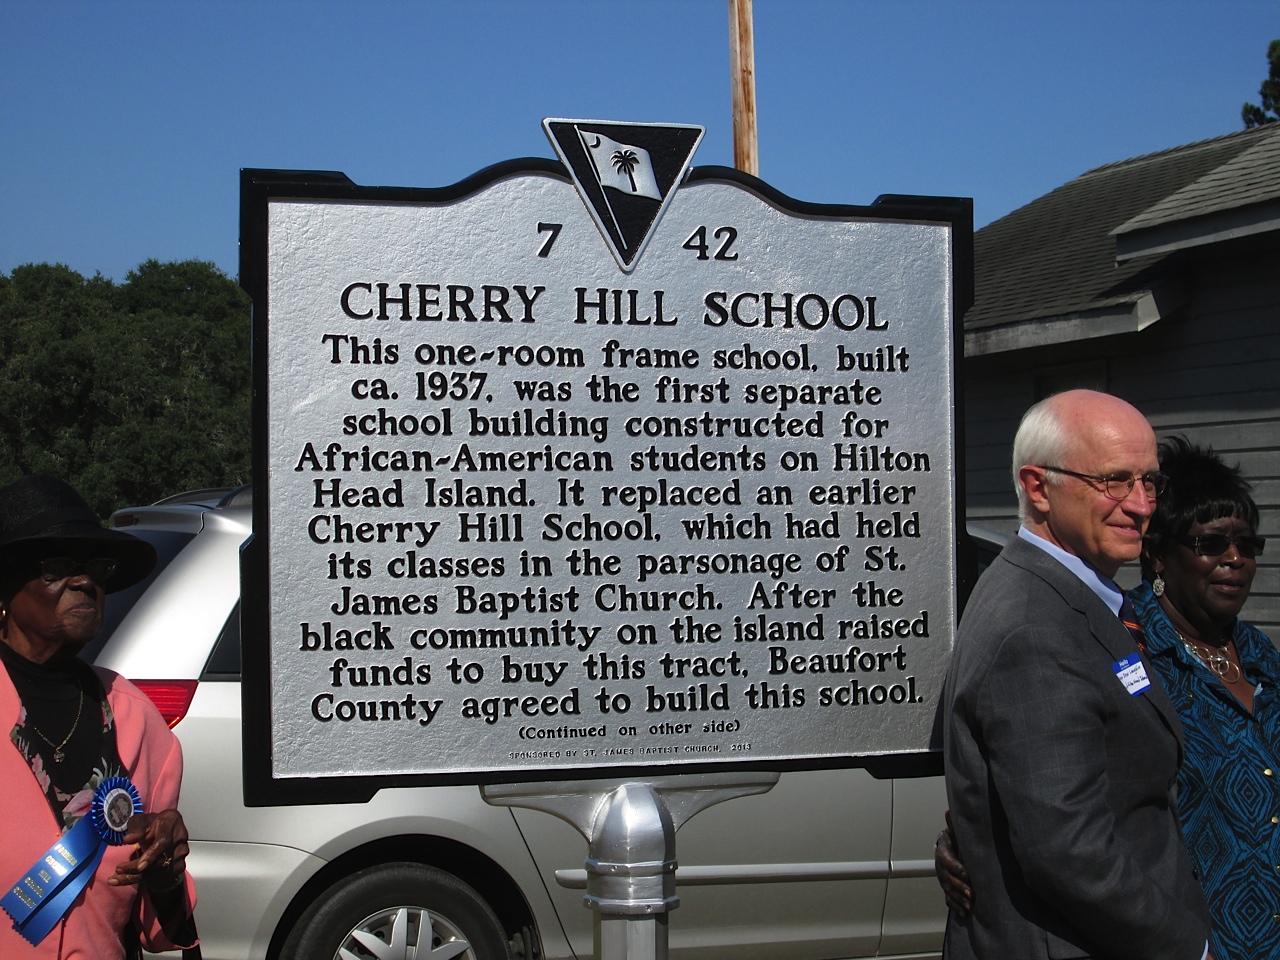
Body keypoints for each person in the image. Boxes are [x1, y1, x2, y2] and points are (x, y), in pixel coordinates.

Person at [939, 436, 1275, 960]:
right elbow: (1052, 787)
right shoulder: (1125, 640)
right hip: (1189, 932)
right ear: (1159, 554)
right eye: (1211, 544)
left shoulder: (1260, 655)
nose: (1234, 560)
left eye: (1247, 546)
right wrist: (971, 837)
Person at [0, 475, 197, 958]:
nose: (86, 580)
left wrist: (165, 869)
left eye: (95, 567)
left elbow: (163, 933)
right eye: (59, 565)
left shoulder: (136, 721)